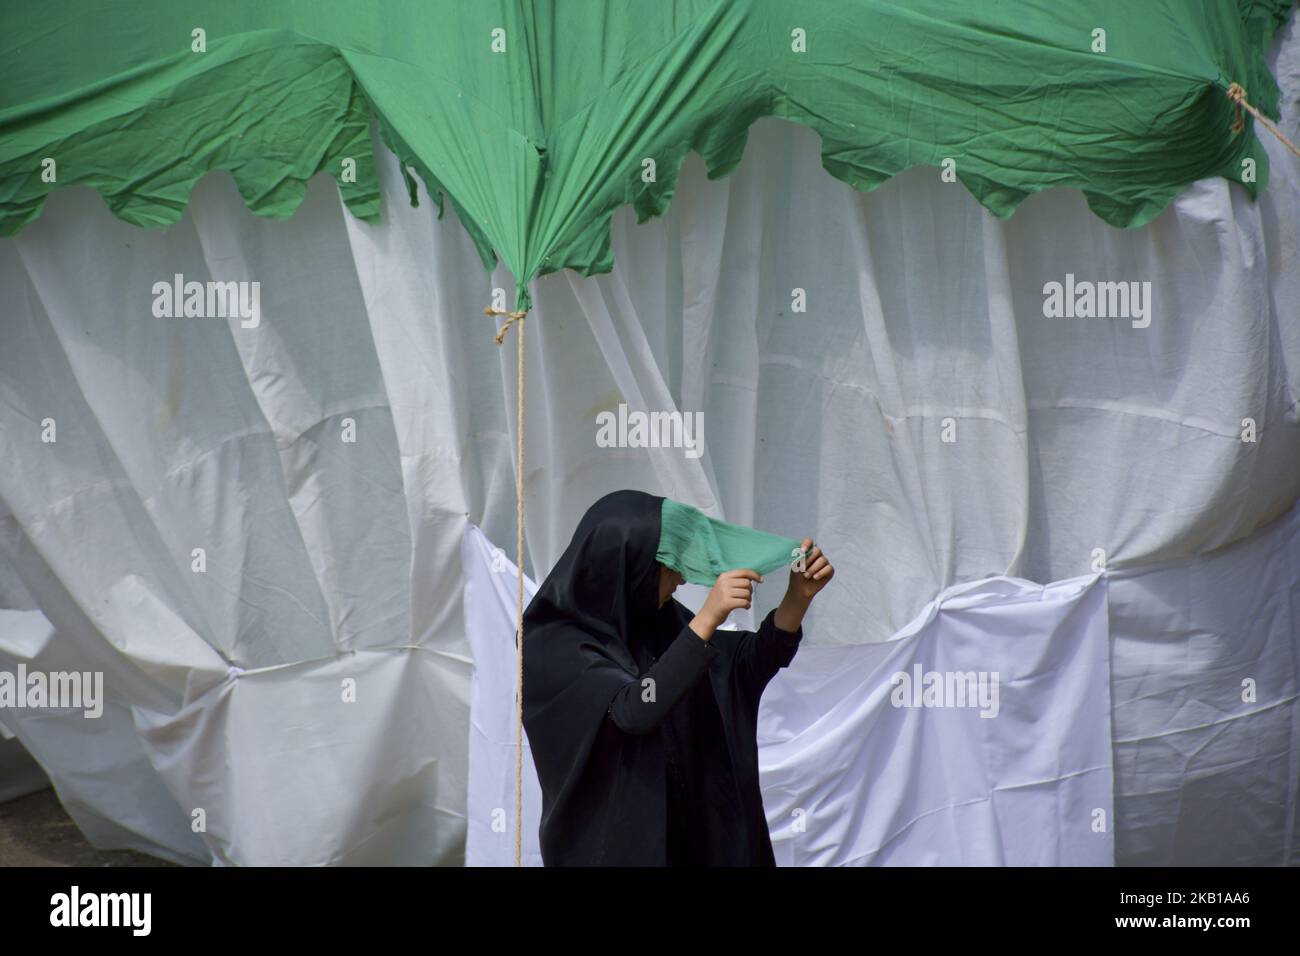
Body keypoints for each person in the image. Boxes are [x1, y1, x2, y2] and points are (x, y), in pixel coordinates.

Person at [521, 489, 833, 866]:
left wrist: (796, 600)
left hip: (691, 841)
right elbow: (635, 708)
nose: (682, 580)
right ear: (631, 568)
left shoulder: (652, 619)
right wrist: (706, 618)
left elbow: (740, 669)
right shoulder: (552, 644)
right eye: (671, 568)